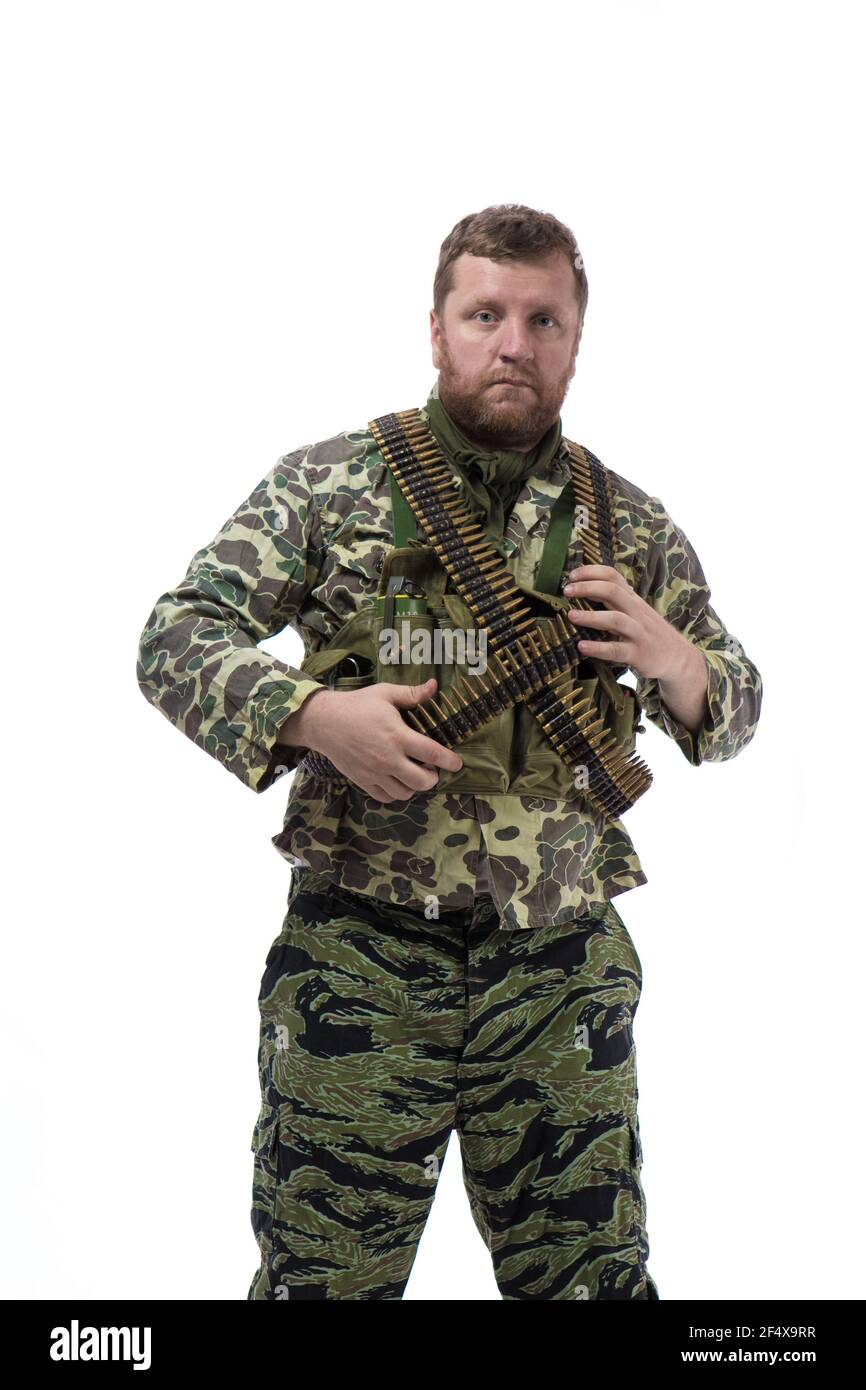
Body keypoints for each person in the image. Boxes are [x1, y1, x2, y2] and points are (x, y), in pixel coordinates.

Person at [136, 203, 762, 1299]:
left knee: (590, 1281)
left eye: (541, 318)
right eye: (484, 314)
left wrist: (672, 658)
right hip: (361, 953)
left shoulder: (628, 524)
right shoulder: (331, 483)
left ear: (574, 339)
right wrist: (312, 717)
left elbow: (734, 705)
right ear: (436, 330)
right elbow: (175, 634)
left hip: (557, 964)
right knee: (321, 1279)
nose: (512, 342)